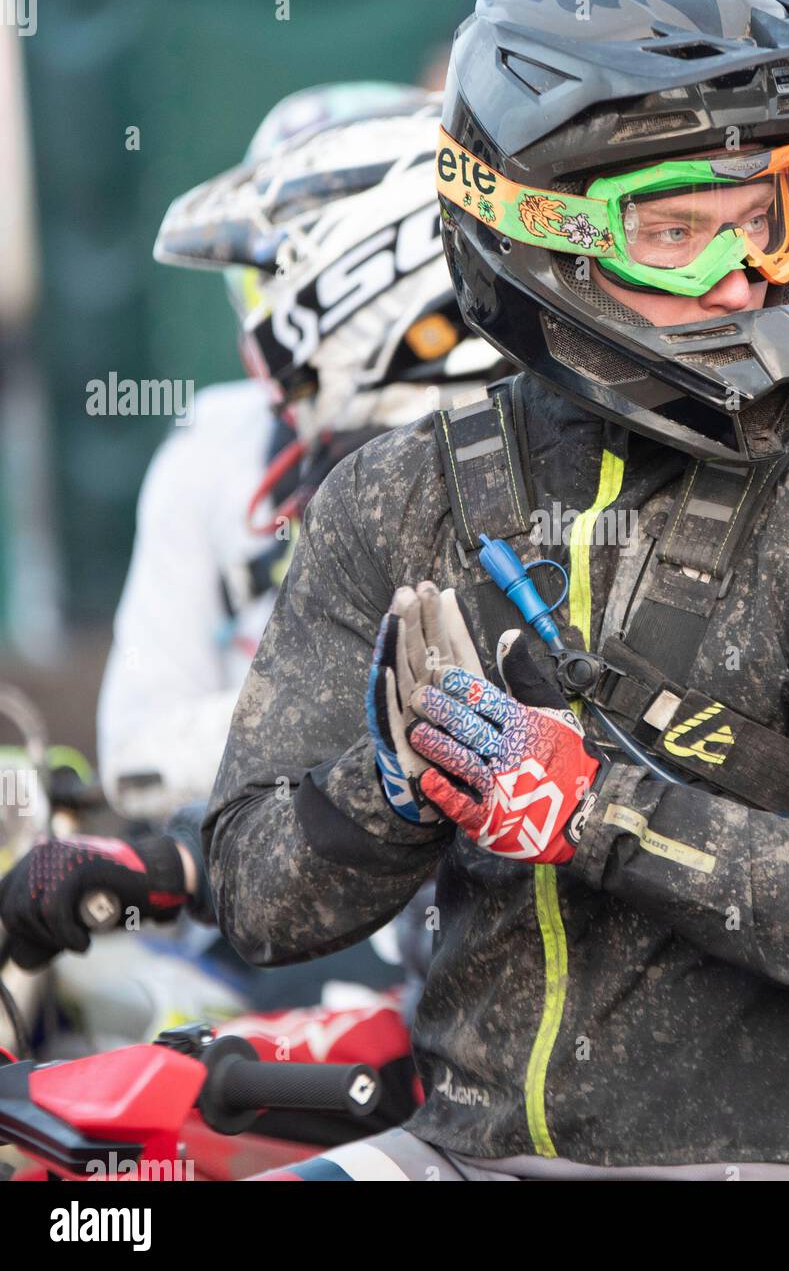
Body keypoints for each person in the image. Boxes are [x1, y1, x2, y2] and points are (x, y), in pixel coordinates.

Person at [205, 0, 789, 1181]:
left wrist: (594, 814)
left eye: (768, 215)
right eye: (677, 232)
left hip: (771, 1156)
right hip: (460, 1146)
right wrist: (393, 787)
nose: (741, 277)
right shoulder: (392, 496)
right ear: (539, 235)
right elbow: (253, 901)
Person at [1, 87, 499, 1026]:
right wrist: (336, 722)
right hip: (253, 887)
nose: (253, 328)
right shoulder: (213, 448)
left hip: (463, 935)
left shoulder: (523, 446)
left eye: (274, 285)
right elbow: (139, 757)